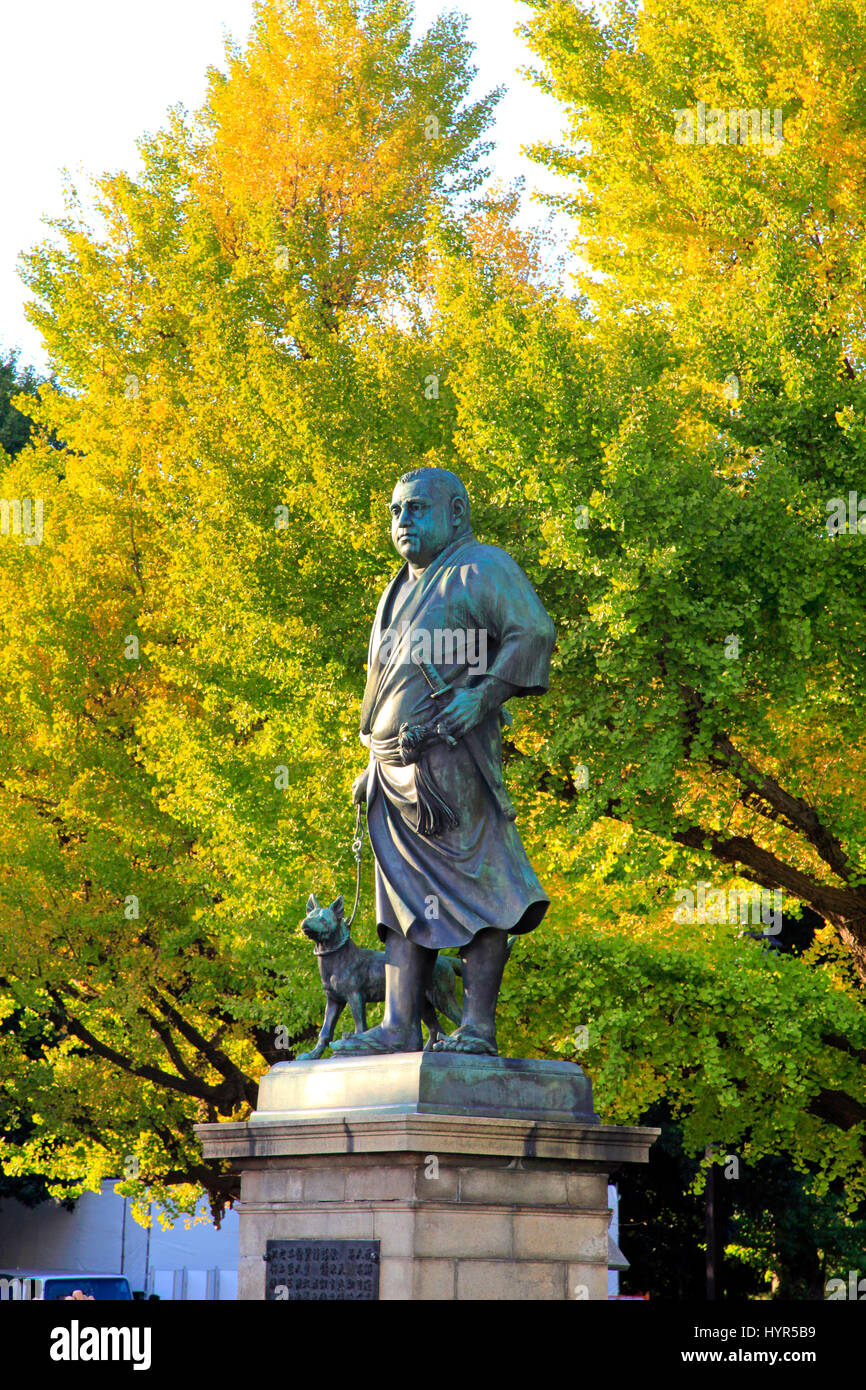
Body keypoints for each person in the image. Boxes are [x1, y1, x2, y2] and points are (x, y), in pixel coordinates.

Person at [330, 467, 555, 1057]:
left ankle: (477, 1027)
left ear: (455, 513)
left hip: (450, 760)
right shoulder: (397, 587)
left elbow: (533, 632)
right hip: (392, 771)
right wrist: (372, 761)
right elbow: (385, 681)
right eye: (397, 511)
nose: (404, 521)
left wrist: (481, 696)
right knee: (402, 899)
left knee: (481, 889)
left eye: (418, 509)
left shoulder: (481, 565)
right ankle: (398, 1024)